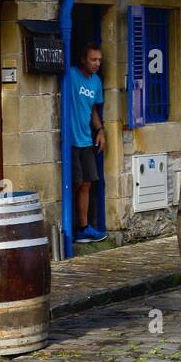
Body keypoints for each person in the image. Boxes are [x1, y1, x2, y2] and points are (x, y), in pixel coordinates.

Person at [69, 43, 108, 243]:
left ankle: (83, 228)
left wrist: (100, 130)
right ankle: (68, 225)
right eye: (93, 59)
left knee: (87, 183)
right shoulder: (70, 75)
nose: (97, 63)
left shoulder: (96, 82)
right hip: (71, 139)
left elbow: (92, 110)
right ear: (83, 59)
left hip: (86, 138)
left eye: (99, 60)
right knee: (74, 183)